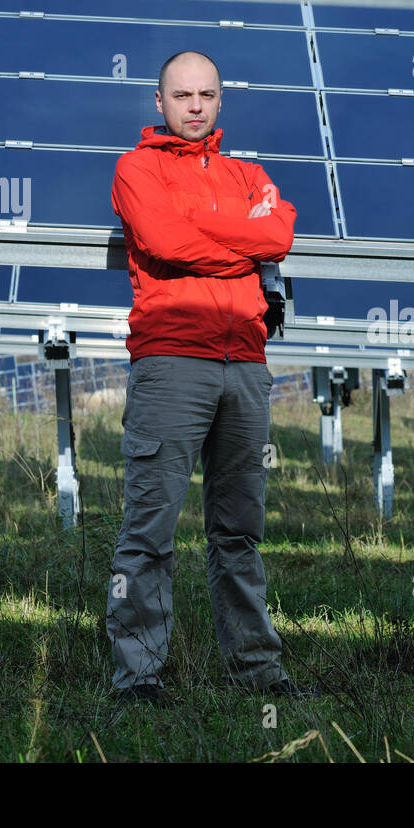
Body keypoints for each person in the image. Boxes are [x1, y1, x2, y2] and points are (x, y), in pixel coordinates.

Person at [105, 49, 313, 704]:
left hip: (246, 364)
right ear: (158, 102)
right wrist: (237, 244)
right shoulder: (136, 169)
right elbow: (164, 244)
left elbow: (277, 234)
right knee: (151, 528)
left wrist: (208, 230)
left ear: (220, 101)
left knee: (239, 530)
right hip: (172, 361)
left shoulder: (250, 175)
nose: (195, 106)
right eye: (182, 95)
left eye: (207, 95)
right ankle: (138, 678)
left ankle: (257, 670)